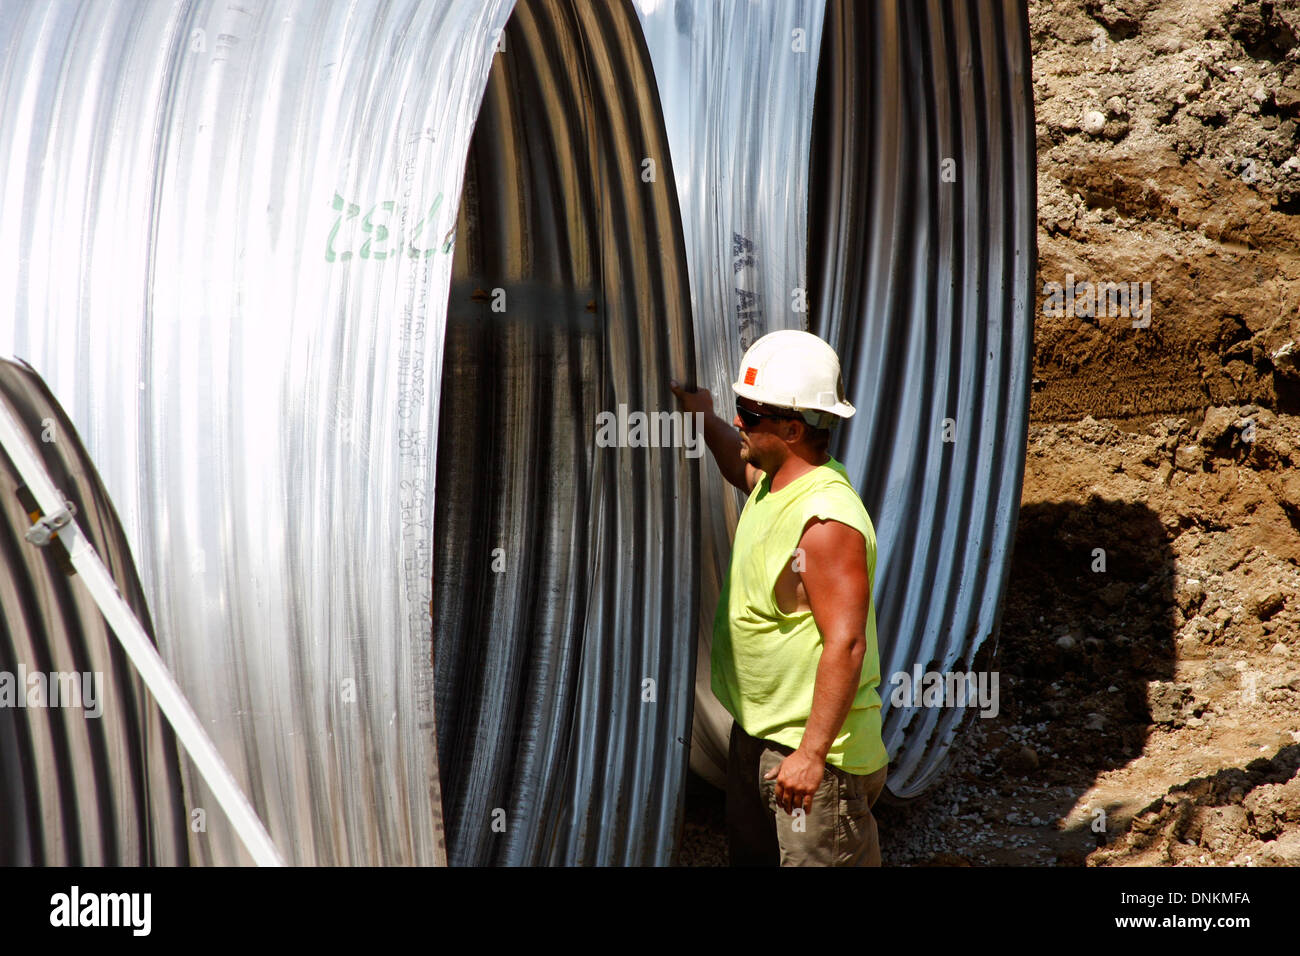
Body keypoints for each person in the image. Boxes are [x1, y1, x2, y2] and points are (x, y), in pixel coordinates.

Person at [670, 329, 889, 866]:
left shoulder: (825, 522)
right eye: (739, 409)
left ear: (793, 428)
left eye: (751, 412)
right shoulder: (774, 482)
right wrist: (704, 416)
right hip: (761, 737)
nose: (740, 420)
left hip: (815, 758)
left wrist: (811, 756)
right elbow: (738, 465)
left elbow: (848, 644)